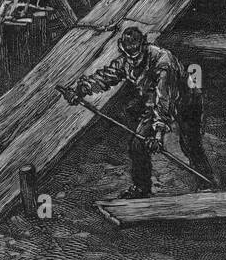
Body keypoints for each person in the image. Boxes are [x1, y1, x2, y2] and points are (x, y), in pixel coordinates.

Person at [66, 26, 188, 198]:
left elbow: (164, 98)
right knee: (138, 144)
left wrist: (158, 135)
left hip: (184, 99)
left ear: (144, 46)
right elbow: (106, 76)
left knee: (191, 144)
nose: (132, 59)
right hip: (152, 100)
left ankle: (209, 182)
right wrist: (81, 89)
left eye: (136, 54)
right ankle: (141, 189)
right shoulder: (126, 60)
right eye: (128, 54)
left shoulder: (163, 61)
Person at [177, 62, 215, 188]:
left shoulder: (190, 86)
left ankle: (206, 181)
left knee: (192, 147)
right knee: (189, 147)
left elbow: (197, 98)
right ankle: (204, 181)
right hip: (187, 110)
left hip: (190, 112)